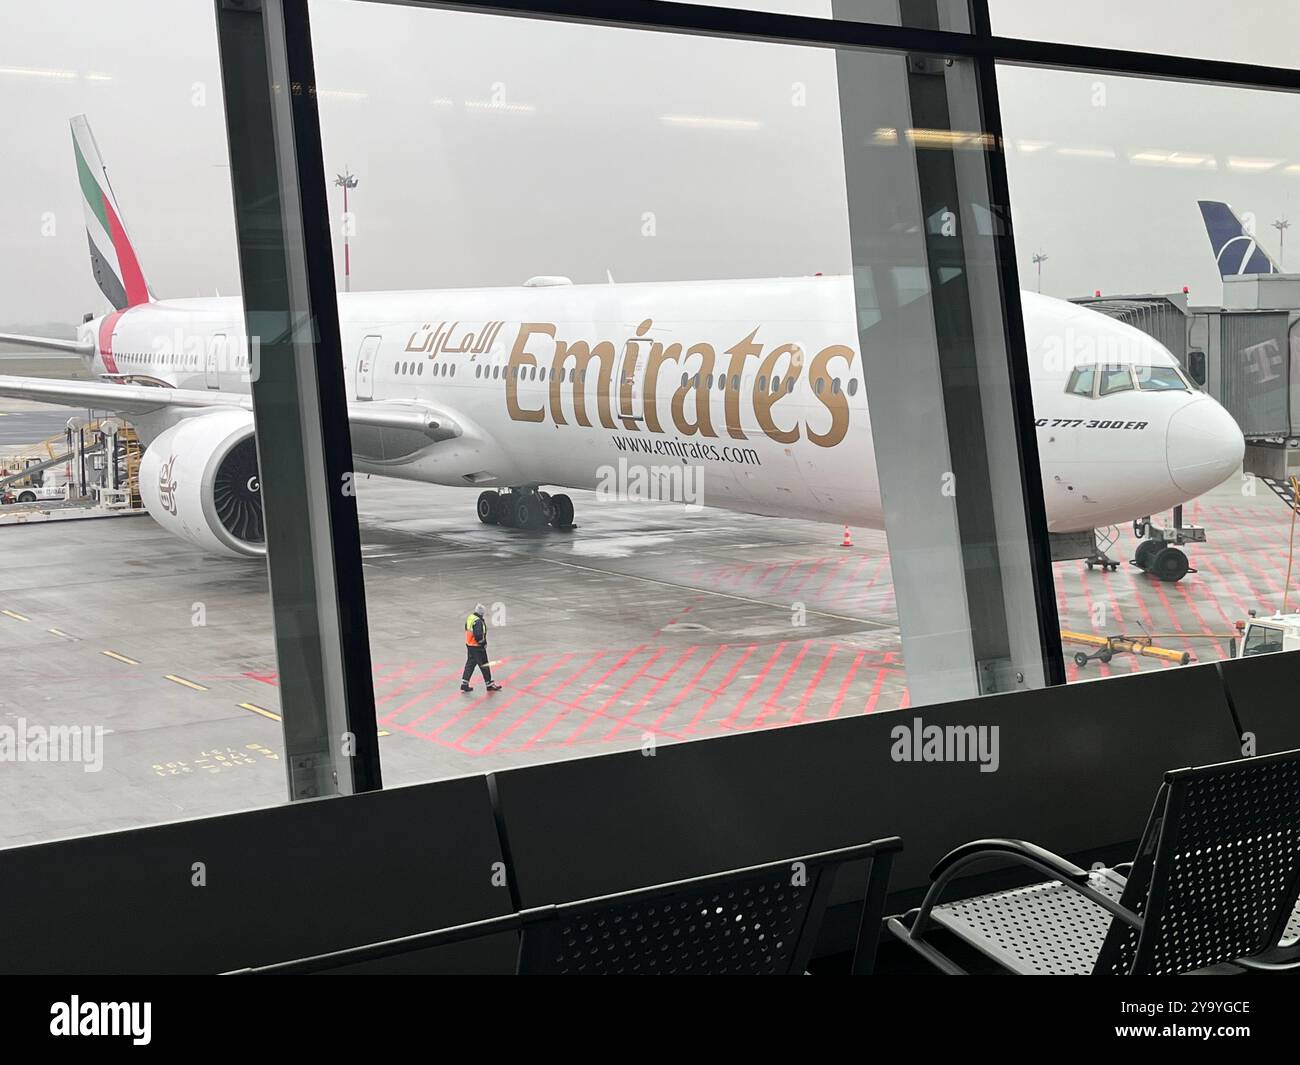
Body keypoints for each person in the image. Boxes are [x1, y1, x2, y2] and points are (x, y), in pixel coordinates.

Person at [461, 603, 501, 693]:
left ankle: (464, 683)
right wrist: (483, 644)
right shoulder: (478, 621)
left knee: (470, 664)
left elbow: (467, 628)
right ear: (481, 613)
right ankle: (489, 684)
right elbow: (478, 635)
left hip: (469, 645)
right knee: (484, 665)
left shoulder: (470, 617)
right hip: (477, 647)